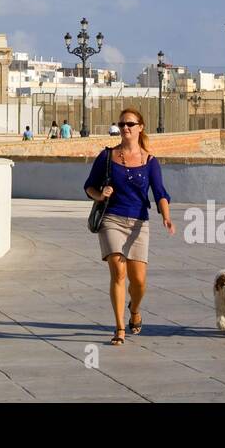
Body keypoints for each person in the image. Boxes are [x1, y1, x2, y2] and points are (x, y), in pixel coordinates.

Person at [83, 107, 174, 345]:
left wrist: (166, 216)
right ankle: (120, 328)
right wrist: (101, 195)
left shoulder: (150, 161)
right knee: (118, 271)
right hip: (112, 218)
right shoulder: (107, 156)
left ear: (140, 128)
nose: (125, 128)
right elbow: (89, 187)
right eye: (122, 124)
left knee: (139, 281)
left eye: (130, 124)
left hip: (138, 222)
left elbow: (160, 192)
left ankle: (135, 309)